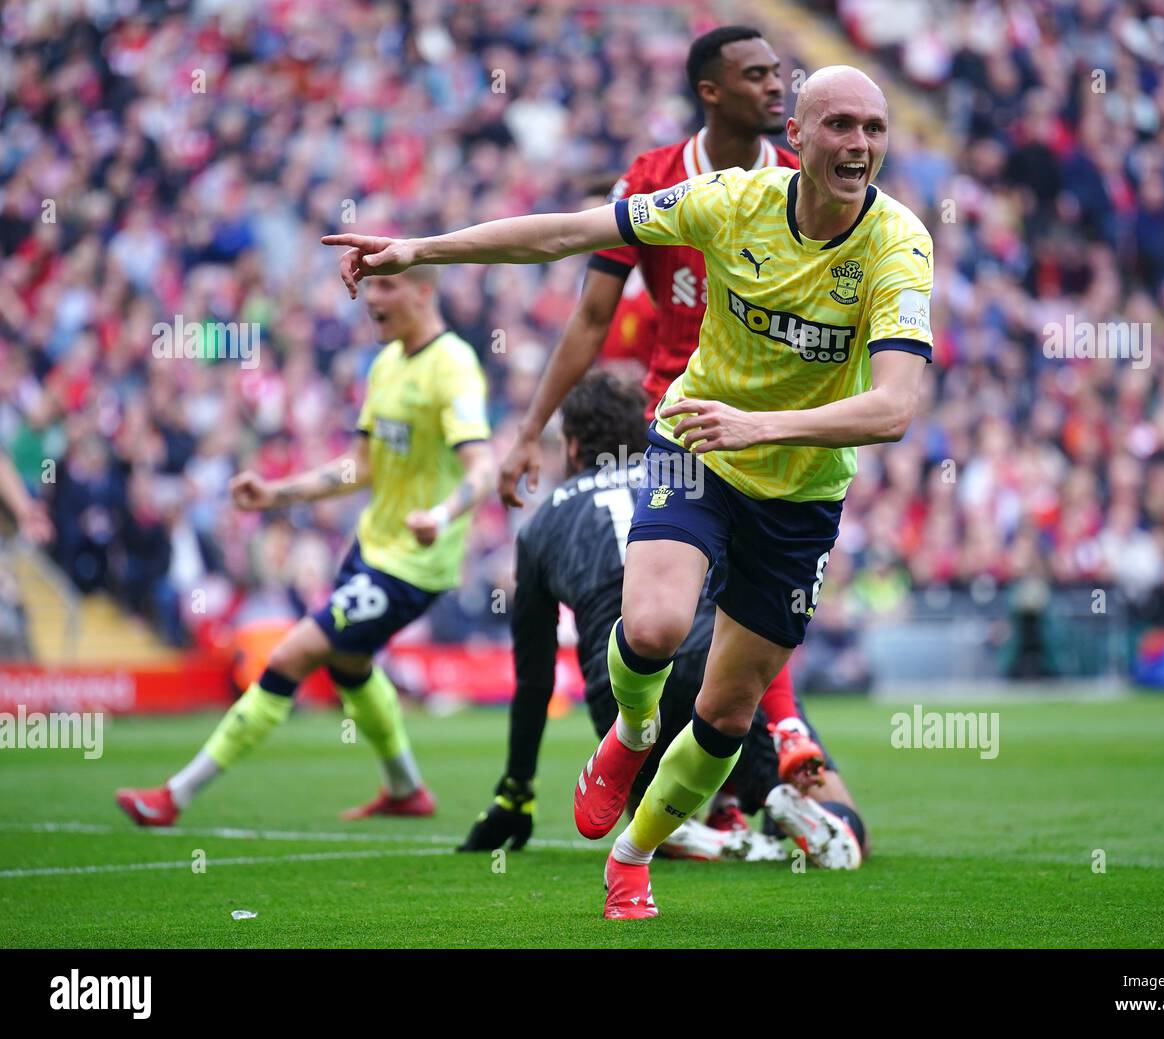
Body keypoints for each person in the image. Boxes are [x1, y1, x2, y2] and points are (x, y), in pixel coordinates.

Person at [322, 64, 934, 919]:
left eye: (873, 127)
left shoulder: (899, 244)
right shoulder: (731, 200)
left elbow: (897, 405)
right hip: (695, 444)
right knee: (648, 626)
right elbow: (565, 235)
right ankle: (629, 734)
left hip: (799, 491)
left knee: (726, 709)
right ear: (797, 137)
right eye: (840, 125)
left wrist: (763, 428)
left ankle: (634, 853)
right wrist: (422, 248)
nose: (860, 144)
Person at [497, 25, 827, 798]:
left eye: (781, 73)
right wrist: (528, 431)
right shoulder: (650, 179)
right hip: (678, 422)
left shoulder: (801, 178)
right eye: (757, 75)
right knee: (662, 621)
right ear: (709, 91)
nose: (780, 88)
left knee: (756, 604)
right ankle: (713, 736)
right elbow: (590, 320)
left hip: (775, 432)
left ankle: (763, 752)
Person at [115, 266, 495, 826]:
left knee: (293, 653)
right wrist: (276, 493)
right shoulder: (386, 365)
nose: (371, 299)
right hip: (370, 550)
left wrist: (441, 515)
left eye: (386, 286)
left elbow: (483, 467)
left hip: (416, 563)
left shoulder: (453, 365)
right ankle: (406, 789)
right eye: (370, 288)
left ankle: (175, 795)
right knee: (348, 665)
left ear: (423, 290)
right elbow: (359, 467)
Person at [459, 372, 865, 868]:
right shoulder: (692, 482)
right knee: (839, 817)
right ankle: (769, 802)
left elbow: (534, 678)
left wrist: (516, 790)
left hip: (622, 691)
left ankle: (693, 824)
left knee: (653, 790)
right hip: (713, 670)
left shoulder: (541, 525)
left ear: (571, 445)